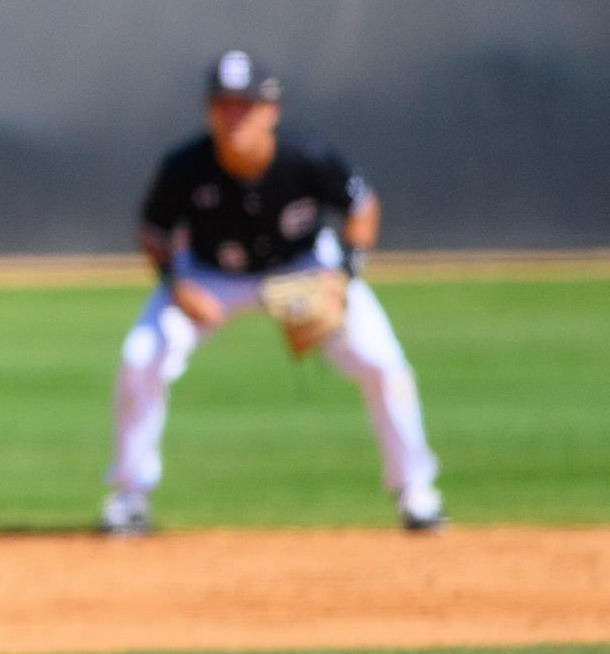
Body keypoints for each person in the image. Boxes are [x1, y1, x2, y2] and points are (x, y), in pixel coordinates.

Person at [100, 50, 444, 536]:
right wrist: (176, 285)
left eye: (246, 103)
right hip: (210, 273)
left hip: (303, 266)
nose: (234, 115)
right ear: (209, 111)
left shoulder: (309, 157)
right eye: (223, 104)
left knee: (381, 360)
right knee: (141, 357)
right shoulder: (184, 167)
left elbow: (362, 208)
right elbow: (152, 231)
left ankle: (417, 492)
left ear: (271, 111)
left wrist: (343, 275)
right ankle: (131, 497)